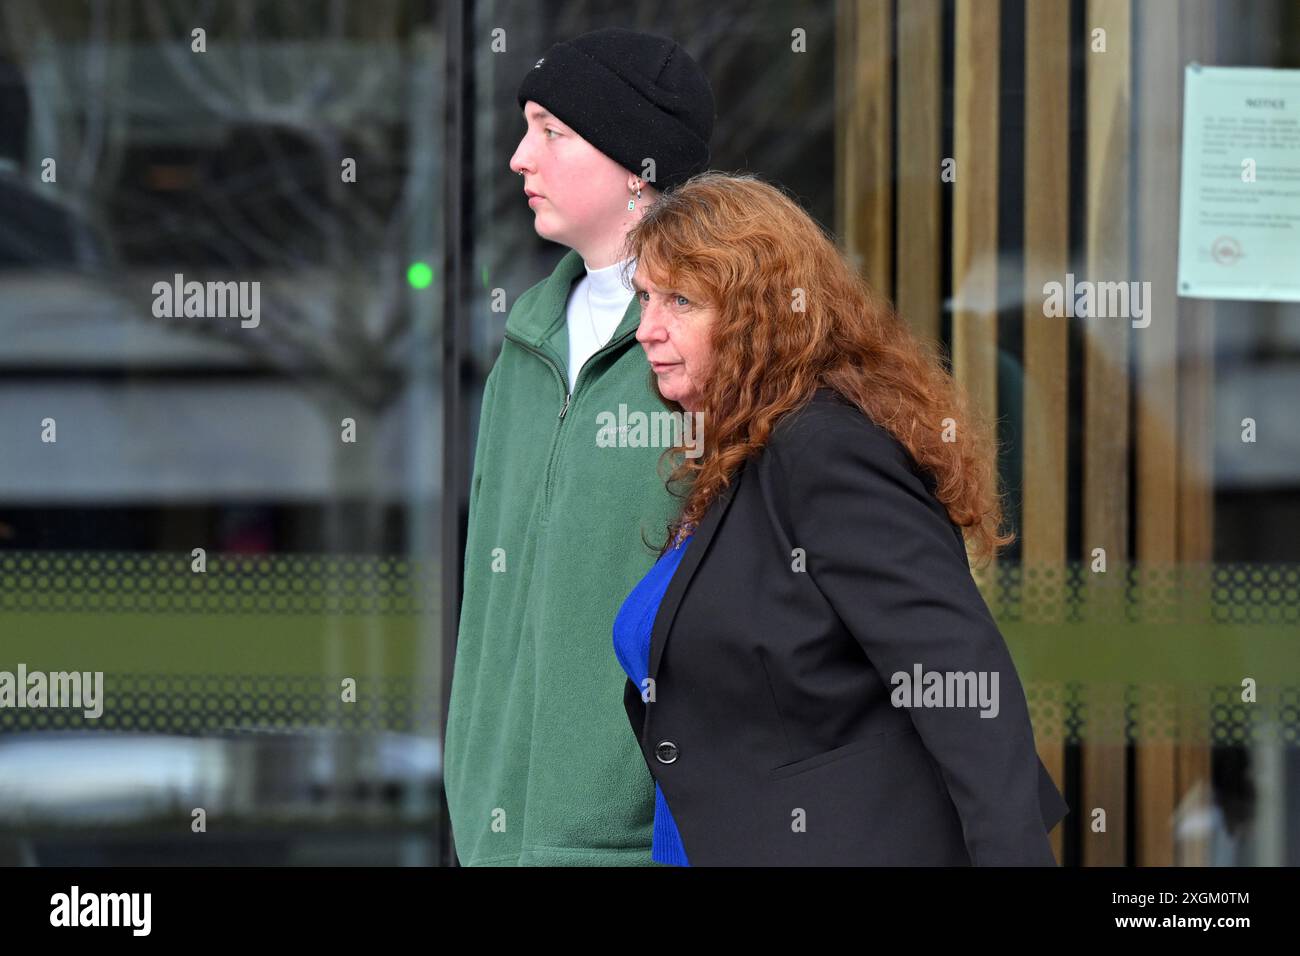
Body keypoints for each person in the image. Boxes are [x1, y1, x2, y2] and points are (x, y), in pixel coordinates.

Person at [612, 171, 1070, 865]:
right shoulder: (740, 453)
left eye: (681, 300)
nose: (648, 329)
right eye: (645, 297)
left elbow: (955, 670)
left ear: (756, 312)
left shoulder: (824, 447)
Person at [443, 28, 715, 866]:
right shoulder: (525, 340)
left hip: (642, 839)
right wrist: (472, 776)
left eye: (551, 131)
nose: (521, 158)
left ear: (638, 164)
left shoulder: (709, 344)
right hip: (495, 829)